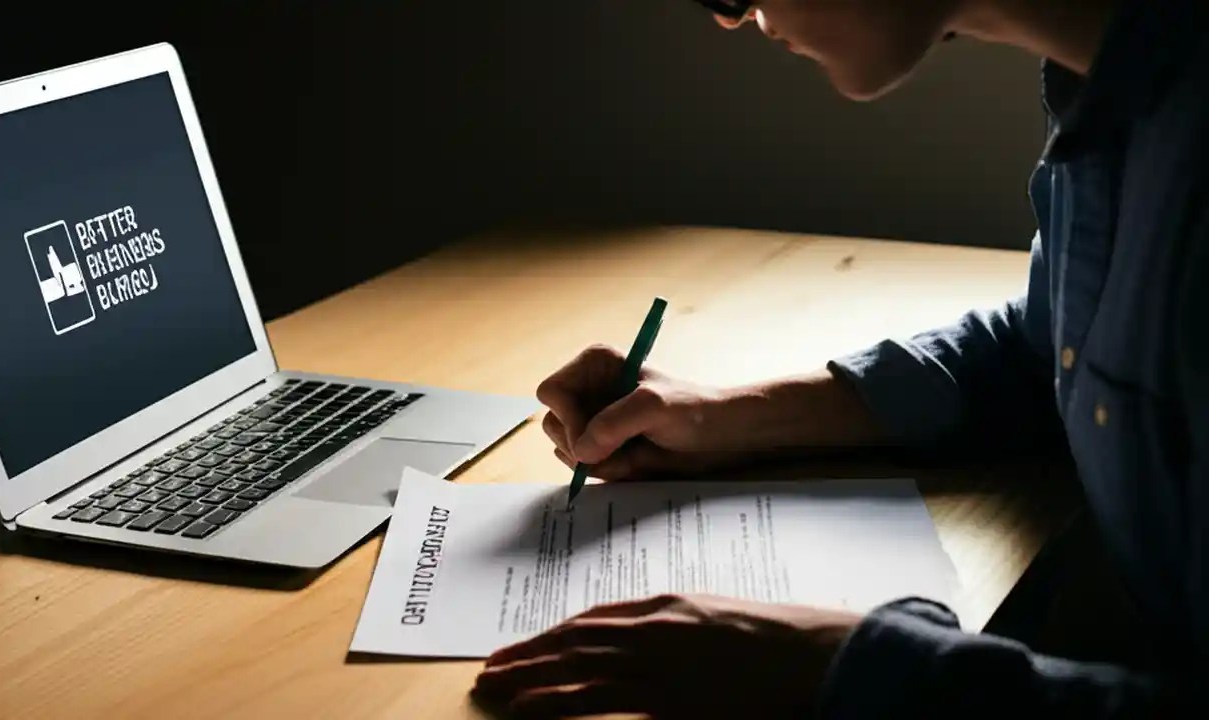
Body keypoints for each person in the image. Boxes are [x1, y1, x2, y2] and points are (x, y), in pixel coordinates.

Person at [469, 0, 1209, 717]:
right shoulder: (1103, 86)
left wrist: (844, 666)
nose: (727, 15)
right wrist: (727, 418)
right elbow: (1051, 353)